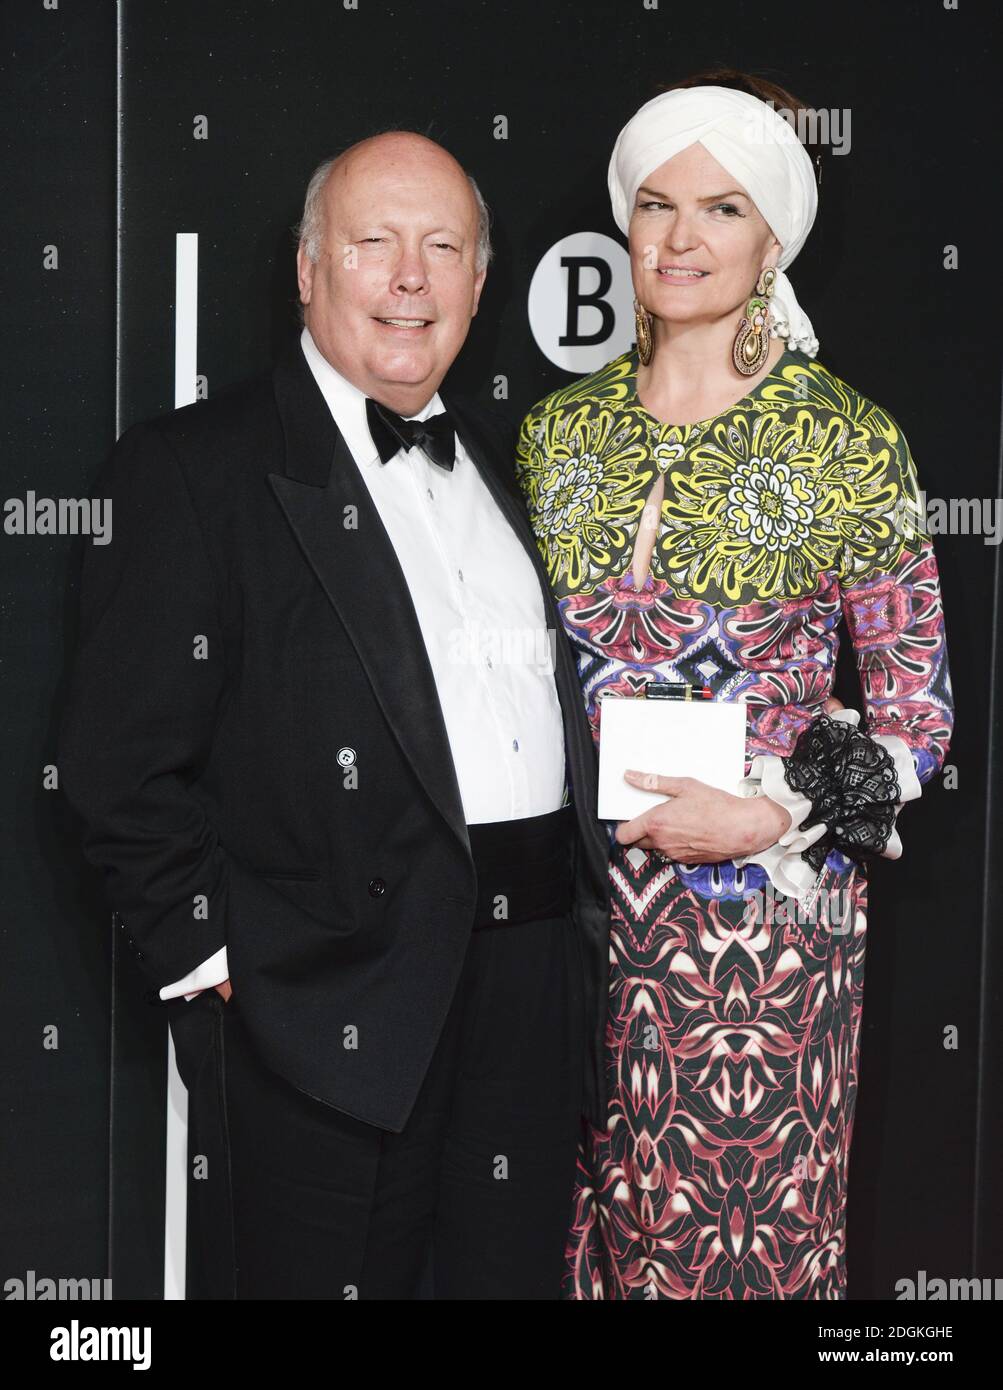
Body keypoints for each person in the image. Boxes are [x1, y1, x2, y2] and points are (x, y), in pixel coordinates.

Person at [58, 131, 610, 1300]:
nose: (409, 276)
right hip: (329, 1011)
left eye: (442, 246)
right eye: (373, 244)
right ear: (308, 270)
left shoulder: (503, 476)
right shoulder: (192, 470)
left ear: (477, 280)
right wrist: (227, 967)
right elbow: (113, 764)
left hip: (525, 997)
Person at [515, 71, 954, 1299]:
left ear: (772, 238)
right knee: (580, 1244)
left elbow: (917, 715)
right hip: (576, 921)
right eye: (655, 205)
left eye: (720, 209)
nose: (680, 239)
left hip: (765, 932)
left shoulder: (847, 439)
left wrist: (769, 813)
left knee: (742, 1257)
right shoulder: (559, 435)